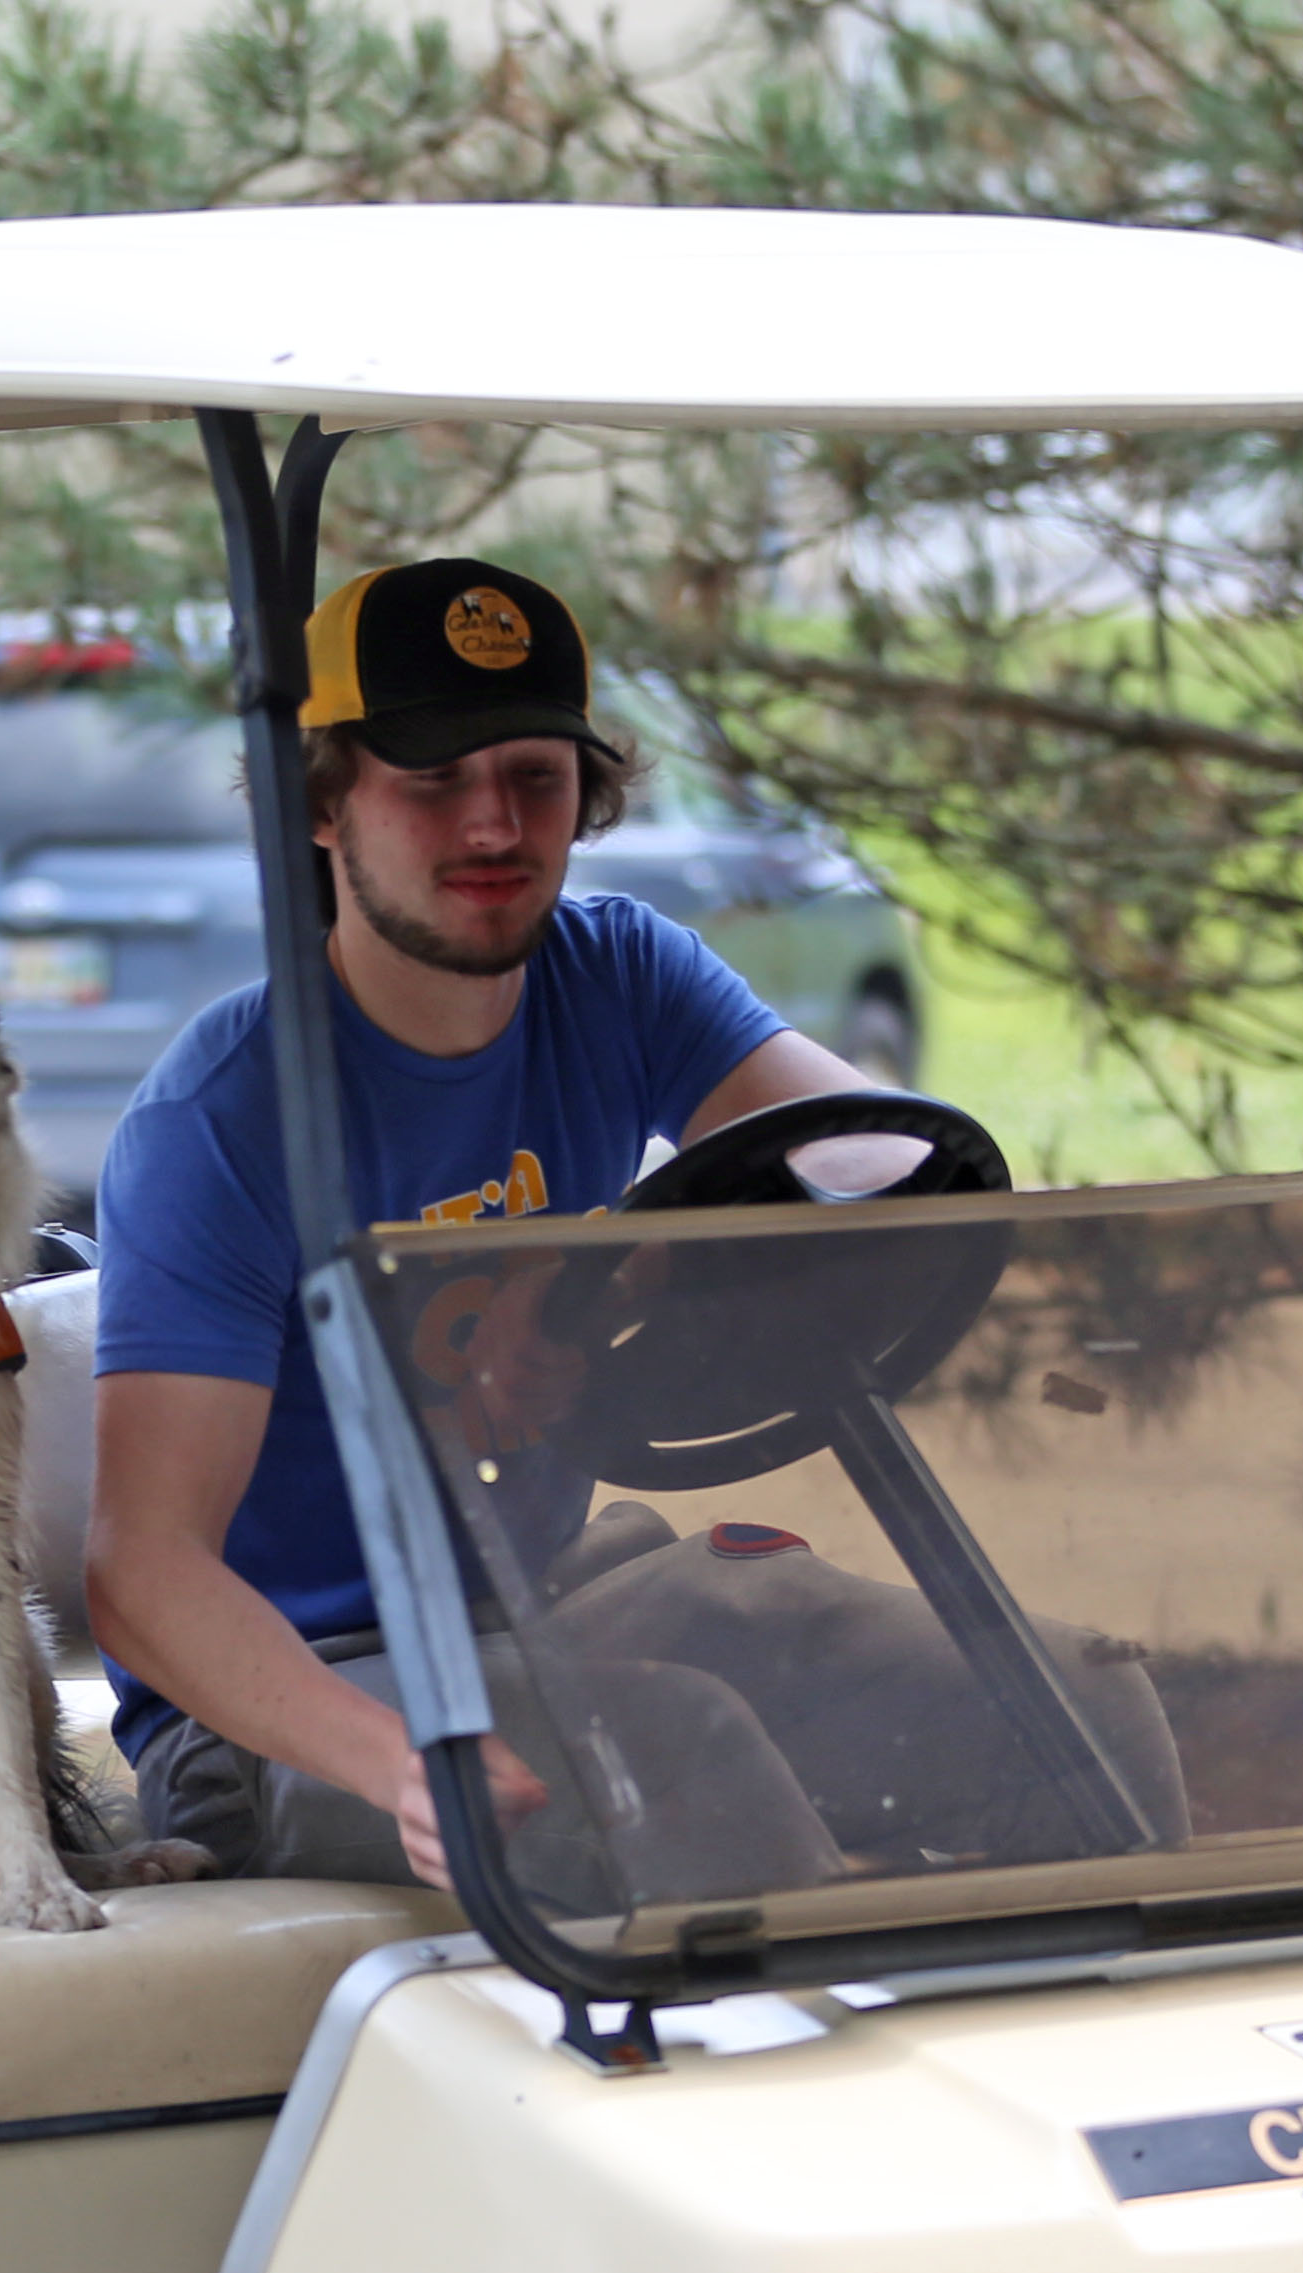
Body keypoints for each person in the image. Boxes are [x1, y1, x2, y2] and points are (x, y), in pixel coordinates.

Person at [84, 556, 897, 1893]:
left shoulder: (622, 975)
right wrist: (401, 1759)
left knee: (1038, 1695)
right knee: (681, 1748)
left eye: (535, 775)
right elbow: (143, 1568)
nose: (494, 826)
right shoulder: (220, 1120)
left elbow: (874, 1161)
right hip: (296, 1704)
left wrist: (606, 1268)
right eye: (431, 778)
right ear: (324, 807)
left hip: (543, 1603)